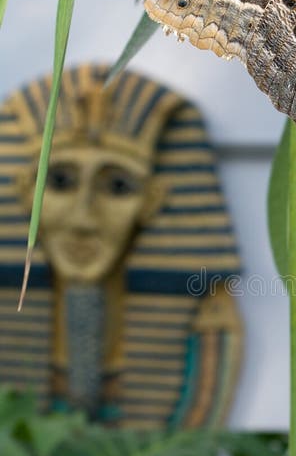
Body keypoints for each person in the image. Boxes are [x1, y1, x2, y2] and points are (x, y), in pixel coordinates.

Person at [0, 63, 243, 430]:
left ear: (151, 200)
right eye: (60, 181)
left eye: (117, 187)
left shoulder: (207, 323)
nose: (83, 219)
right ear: (22, 191)